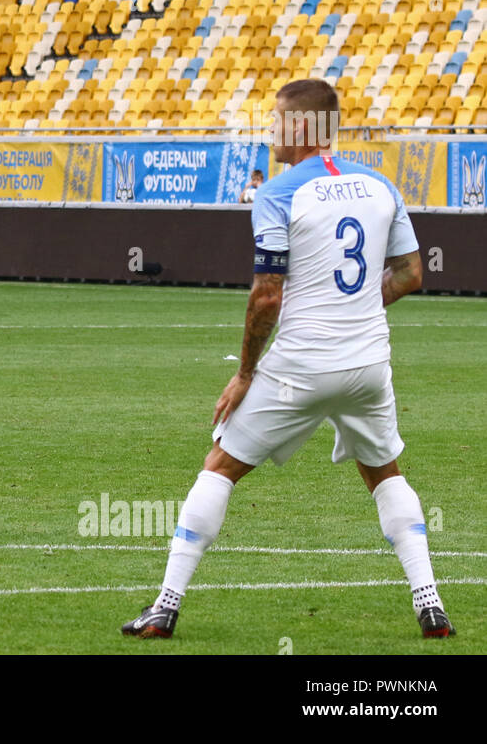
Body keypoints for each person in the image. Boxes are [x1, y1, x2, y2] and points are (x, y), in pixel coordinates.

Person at [123, 79, 453, 639]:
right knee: (384, 473)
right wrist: (355, 309)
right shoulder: (380, 185)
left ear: (302, 127)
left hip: (300, 367)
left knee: (219, 467)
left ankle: (165, 605)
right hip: (369, 367)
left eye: (277, 120)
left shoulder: (279, 194)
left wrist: (246, 372)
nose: (271, 130)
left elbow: (267, 294)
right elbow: (412, 274)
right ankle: (430, 603)